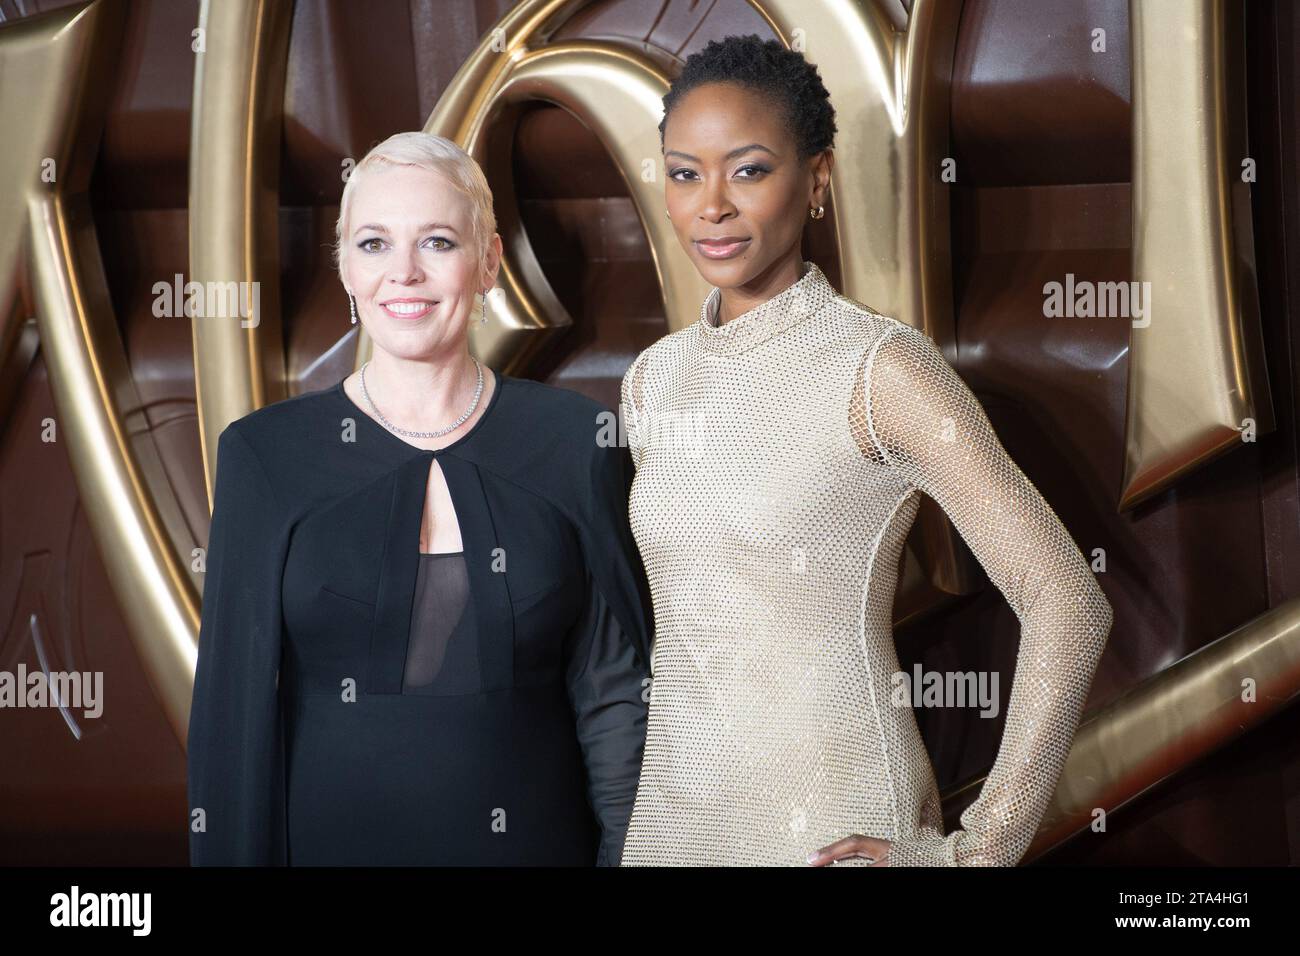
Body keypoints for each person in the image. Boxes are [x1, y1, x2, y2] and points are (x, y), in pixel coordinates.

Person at [618, 35, 1113, 866]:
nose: (711, 204)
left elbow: (1068, 600)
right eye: (683, 171)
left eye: (748, 169)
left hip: (834, 821)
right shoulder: (651, 382)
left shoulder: (882, 369)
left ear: (815, 179)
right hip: (671, 822)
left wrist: (978, 853)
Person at [187, 131, 652, 865]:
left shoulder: (573, 441)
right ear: (344, 266)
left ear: (490, 261)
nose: (403, 273)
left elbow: (615, 700)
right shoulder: (265, 457)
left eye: (437, 242)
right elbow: (230, 728)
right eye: (373, 244)